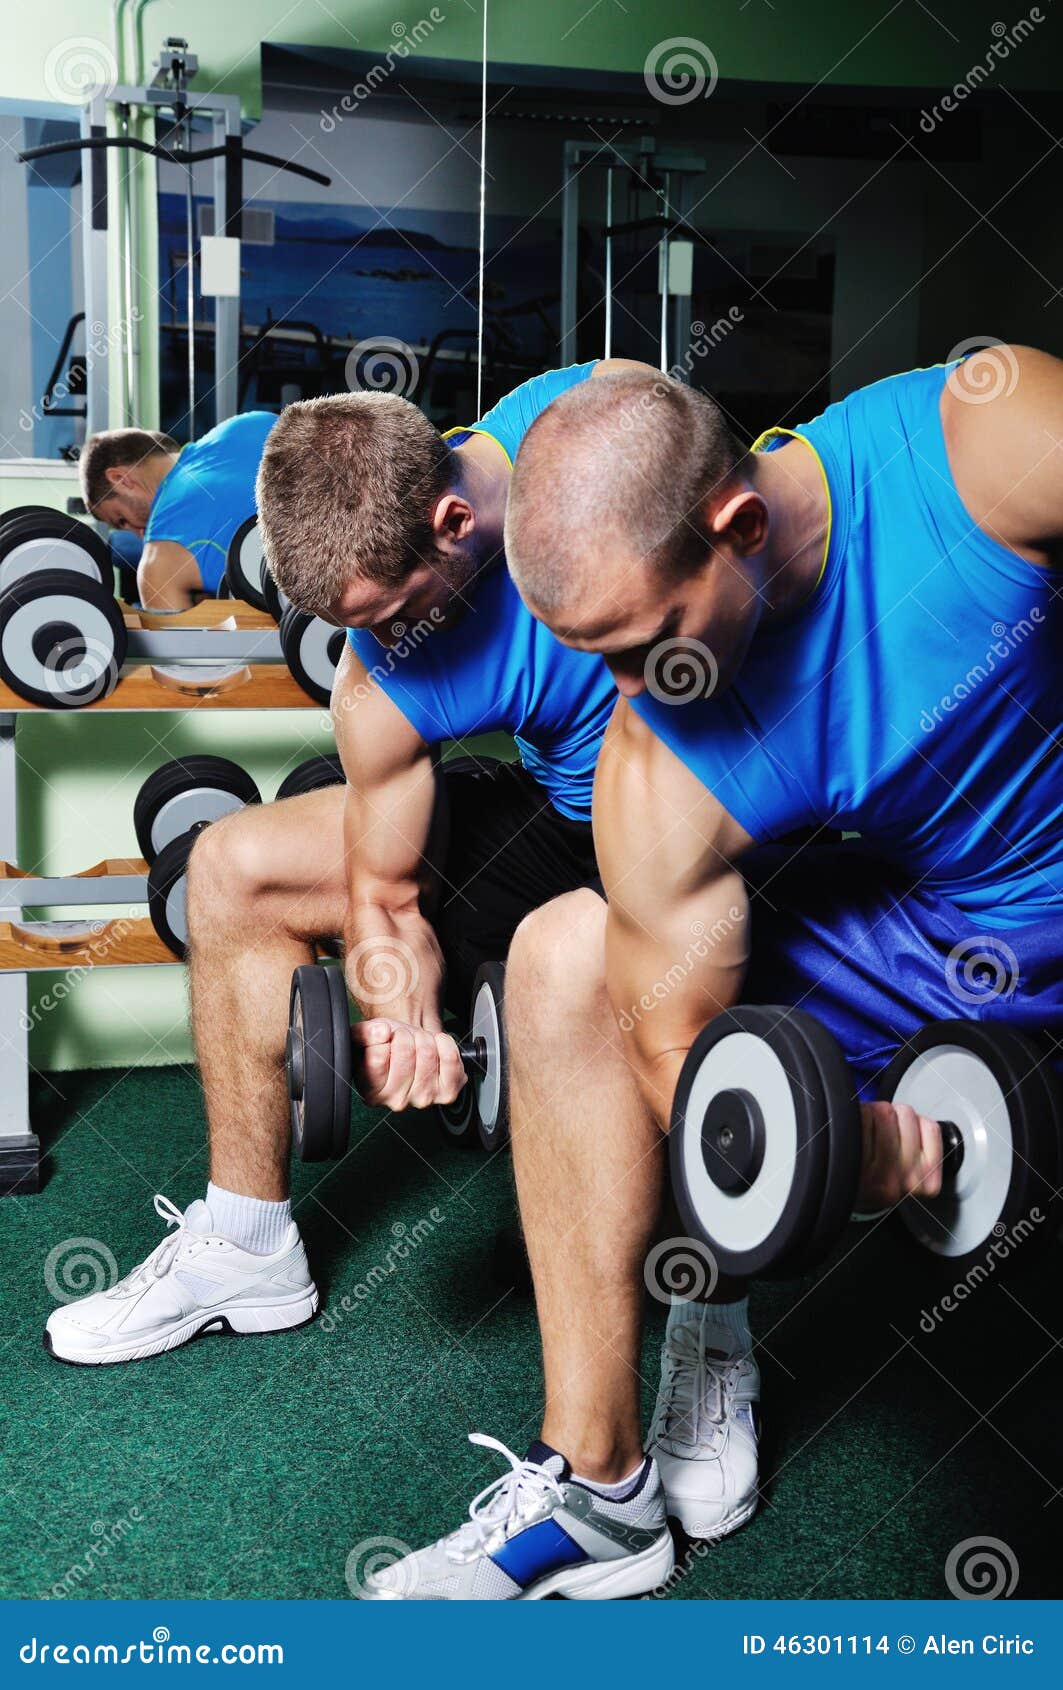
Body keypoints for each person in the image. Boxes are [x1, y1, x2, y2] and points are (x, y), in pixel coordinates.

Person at [361, 348, 1062, 1598]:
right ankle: (601, 1486)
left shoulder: (982, 448)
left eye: (642, 646)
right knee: (569, 955)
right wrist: (840, 1144)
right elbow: (687, 1056)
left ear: (737, 527)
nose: (632, 696)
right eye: (597, 659)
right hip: (930, 949)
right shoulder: (654, 757)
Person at [78, 412, 275, 608]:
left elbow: (187, 641)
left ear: (121, 479)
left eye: (121, 519)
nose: (137, 533)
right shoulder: (250, 422)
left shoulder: (158, 563)